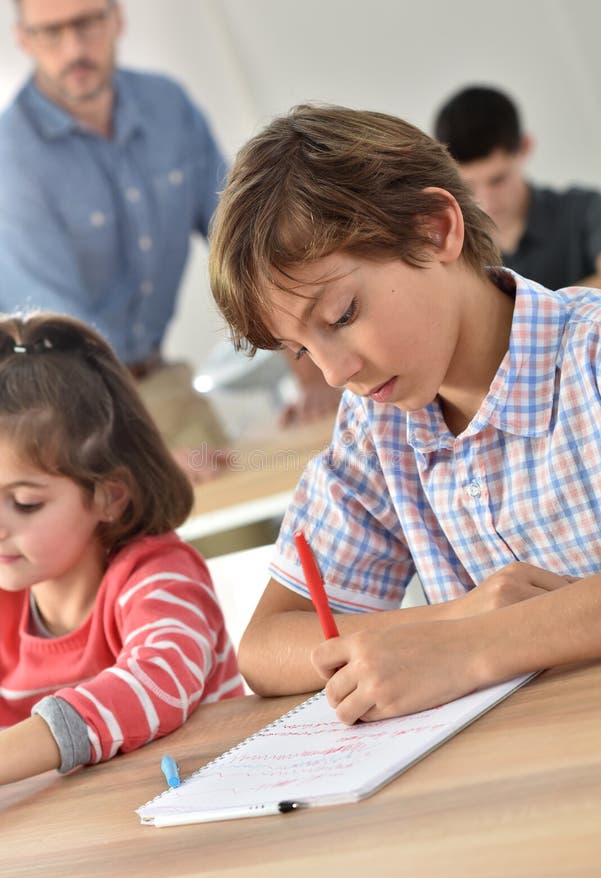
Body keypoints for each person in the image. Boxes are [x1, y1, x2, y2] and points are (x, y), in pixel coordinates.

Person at [208, 103, 601, 726]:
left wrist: (473, 648)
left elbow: (465, 652)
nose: (334, 373)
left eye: (341, 316)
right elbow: (264, 647)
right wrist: (453, 617)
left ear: (435, 229)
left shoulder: (589, 356)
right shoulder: (378, 428)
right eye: (302, 349)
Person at [0, 0, 339, 470]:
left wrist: (314, 372)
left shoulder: (168, 108)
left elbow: (246, 238)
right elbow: (59, 337)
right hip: (62, 414)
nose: (74, 48)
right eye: (51, 33)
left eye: (88, 23)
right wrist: (141, 456)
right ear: (23, 39)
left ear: (117, 18)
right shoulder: (11, 157)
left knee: (262, 515)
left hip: (163, 383)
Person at [0, 311, 244, 786]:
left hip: (216, 821)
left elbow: (159, 683)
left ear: (110, 495)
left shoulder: (160, 575)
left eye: (25, 503)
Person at [432, 85, 601, 291]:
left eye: (498, 180)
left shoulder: (584, 210)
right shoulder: (452, 251)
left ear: (525, 146)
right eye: (469, 186)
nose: (485, 200)